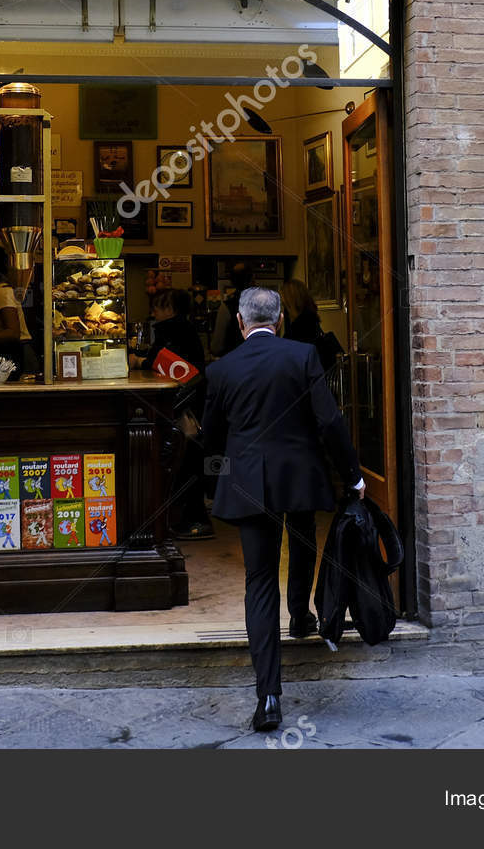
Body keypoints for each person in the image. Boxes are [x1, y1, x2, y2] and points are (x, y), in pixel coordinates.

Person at [201, 286, 363, 733]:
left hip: (249, 481)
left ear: (239, 322)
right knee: (304, 536)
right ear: (279, 321)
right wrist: (352, 474)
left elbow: (211, 437)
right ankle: (299, 615)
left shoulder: (223, 370)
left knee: (258, 581)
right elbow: (329, 421)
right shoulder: (303, 356)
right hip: (299, 474)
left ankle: (268, 696)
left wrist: (221, 471)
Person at [131, 289, 212, 538]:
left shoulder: (174, 331)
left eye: (158, 306)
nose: (153, 311)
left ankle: (195, 520)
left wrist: (141, 361)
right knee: (185, 463)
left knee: (184, 463)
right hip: (188, 406)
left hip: (183, 409)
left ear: (171, 309)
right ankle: (187, 517)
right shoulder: (181, 329)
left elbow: (171, 364)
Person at [207, 261, 254, 359]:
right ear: (252, 280)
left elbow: (217, 346)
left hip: (236, 362)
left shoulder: (228, 307)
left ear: (232, 282)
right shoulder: (265, 304)